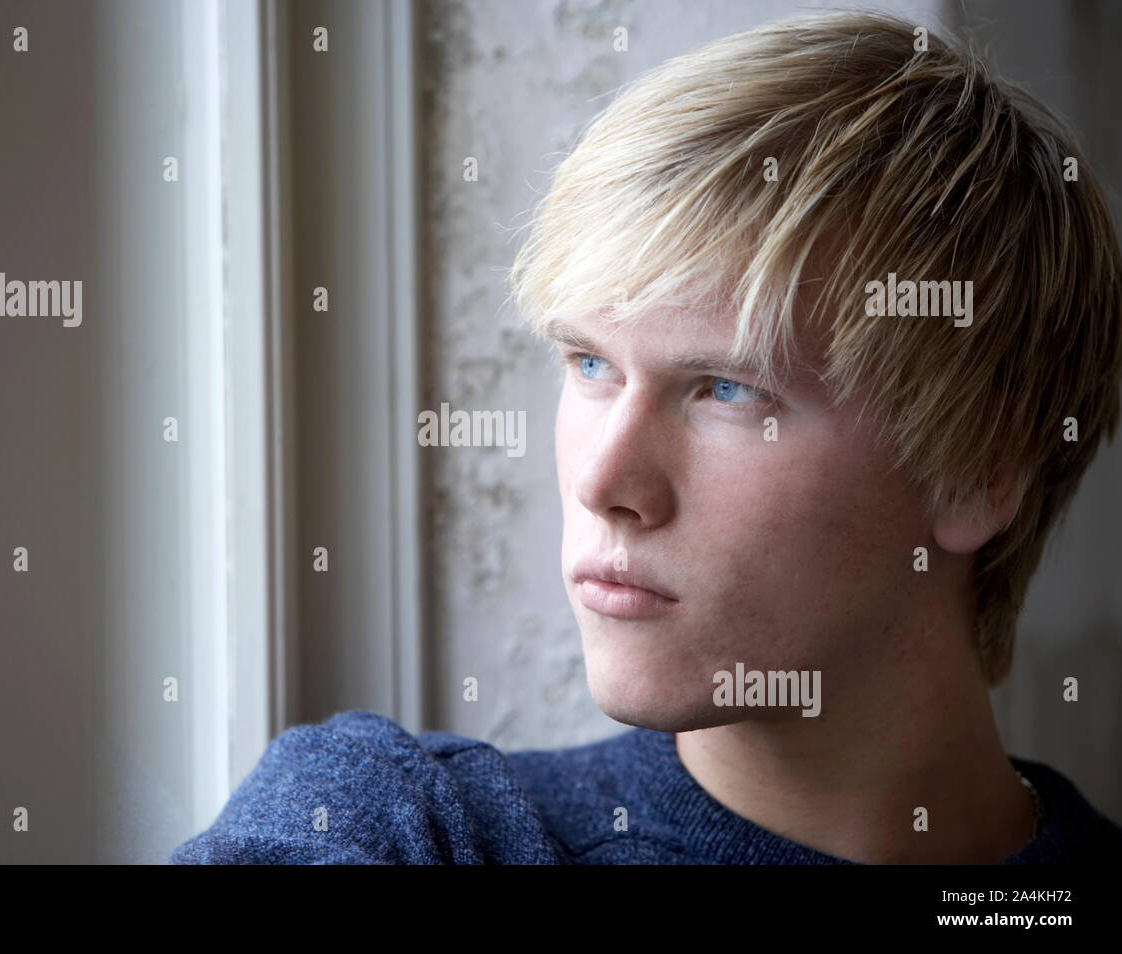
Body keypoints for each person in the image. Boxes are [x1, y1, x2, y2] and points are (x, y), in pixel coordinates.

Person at [171, 10, 1122, 864]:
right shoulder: (402, 827)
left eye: (725, 389)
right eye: (589, 365)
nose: (602, 478)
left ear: (979, 470)